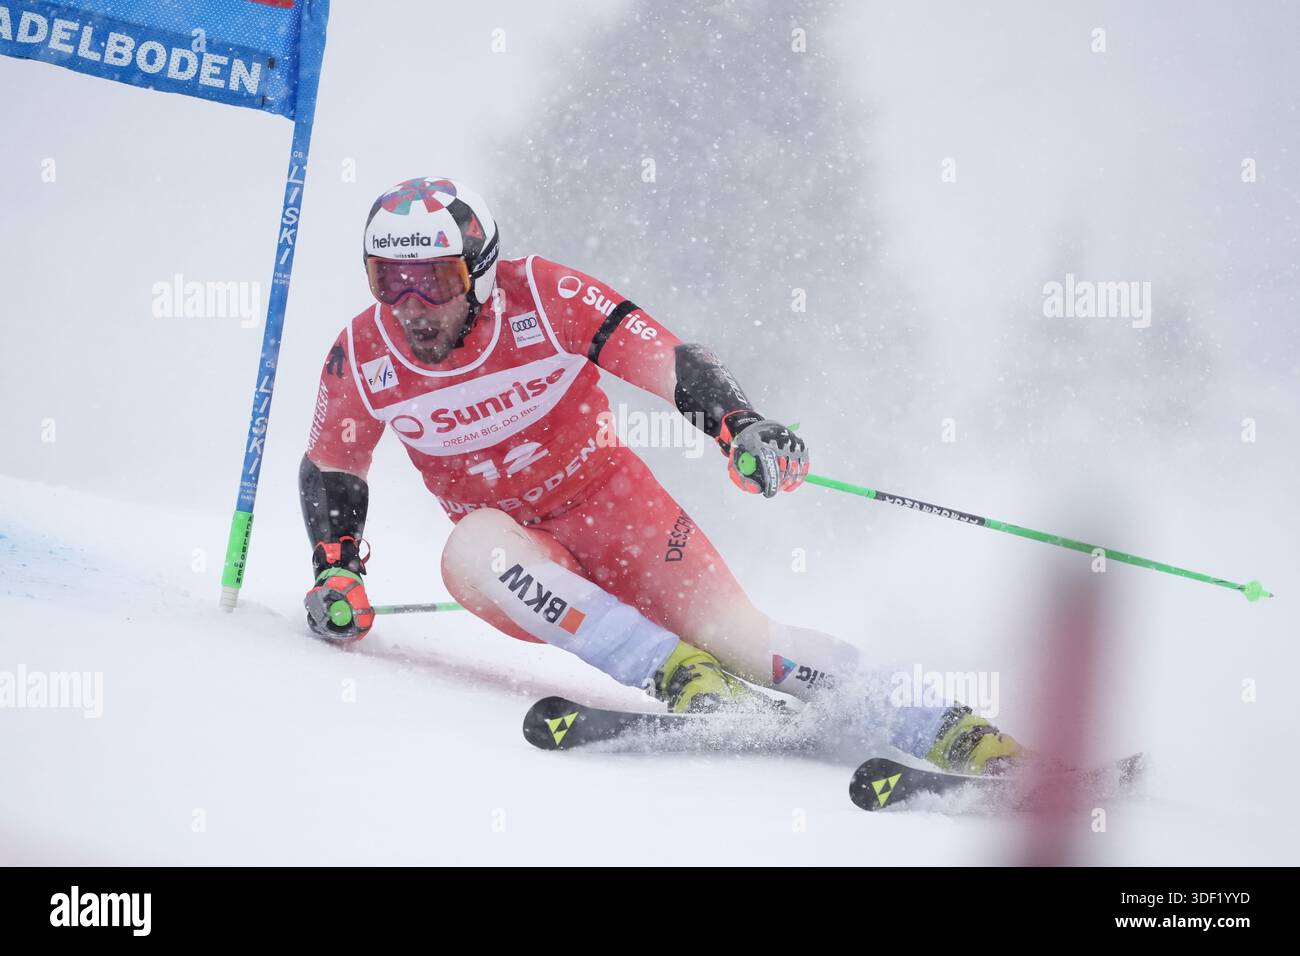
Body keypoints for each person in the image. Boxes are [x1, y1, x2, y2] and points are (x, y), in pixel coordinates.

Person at [299, 176, 1023, 775]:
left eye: (436, 280)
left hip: (619, 513)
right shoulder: (362, 355)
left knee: (746, 639)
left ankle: (960, 733)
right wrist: (337, 573)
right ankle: (680, 676)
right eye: (387, 280)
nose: (411, 307)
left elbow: (664, 357)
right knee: (472, 548)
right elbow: (333, 461)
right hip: (525, 564)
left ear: (481, 271)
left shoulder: (545, 298)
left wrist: (737, 424)